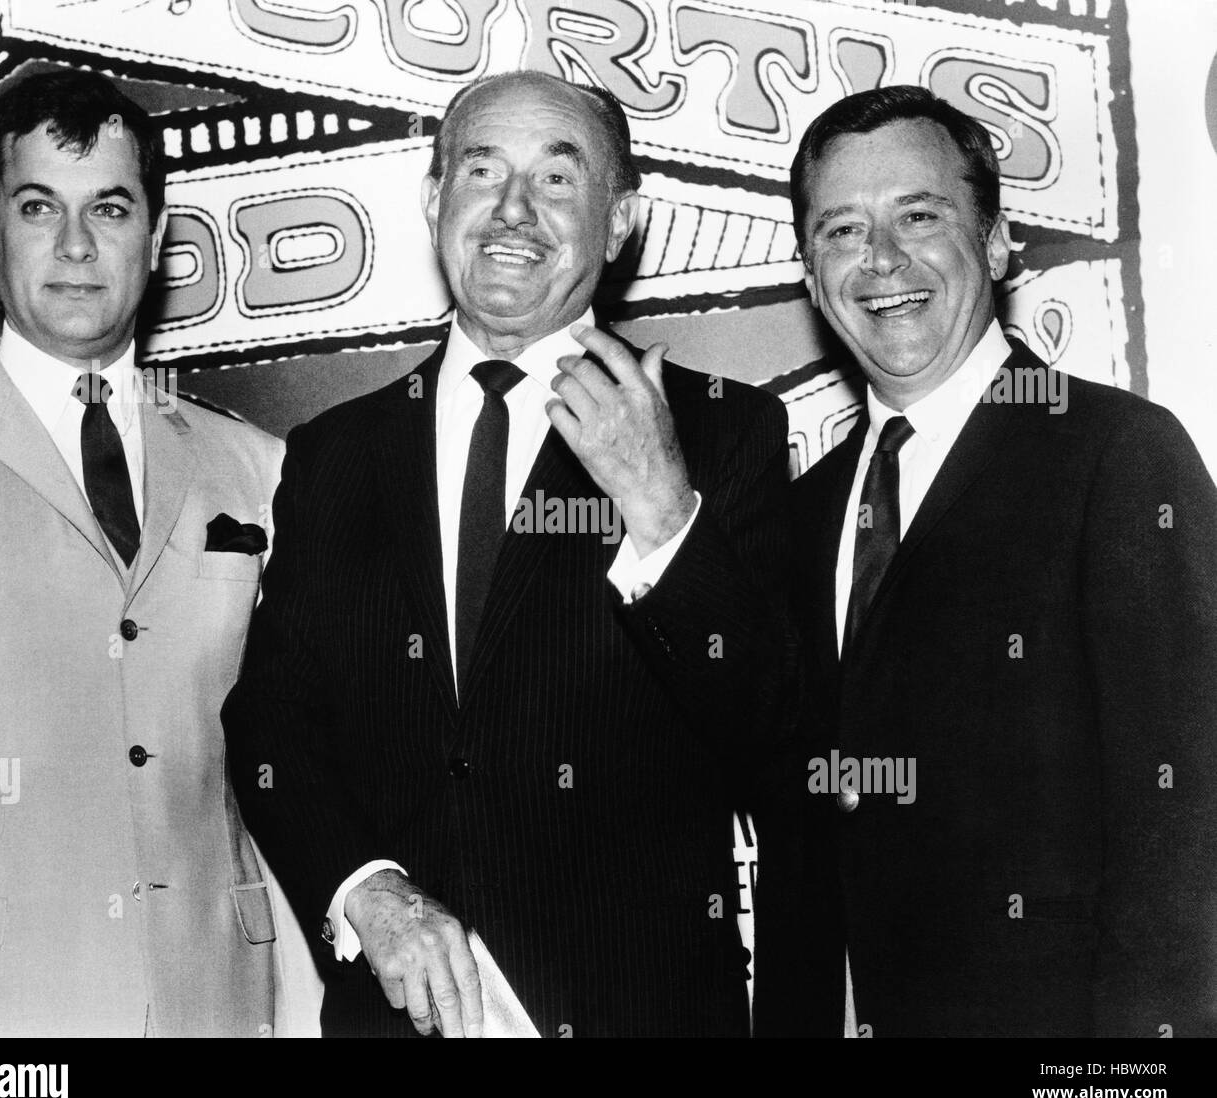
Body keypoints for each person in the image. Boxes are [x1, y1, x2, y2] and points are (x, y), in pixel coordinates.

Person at [223, 70, 796, 1038]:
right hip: (401, 1014)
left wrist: (664, 516)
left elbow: (771, 740)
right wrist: (367, 890)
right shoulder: (336, 453)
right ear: (433, 198)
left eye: (557, 180)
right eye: (482, 170)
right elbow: (274, 720)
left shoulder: (718, 430)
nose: (512, 211)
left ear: (620, 222)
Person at [753, 85, 1217, 1037]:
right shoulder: (800, 511)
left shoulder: (1117, 454)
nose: (882, 261)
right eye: (842, 231)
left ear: (1000, 240)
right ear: (809, 273)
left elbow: (1190, 826)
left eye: (919, 216)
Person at [0, 68, 319, 1036]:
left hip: (217, 1000)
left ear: (157, 234)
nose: (75, 245)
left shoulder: (261, 470)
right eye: (37, 206)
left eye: (109, 206)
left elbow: (306, 761)